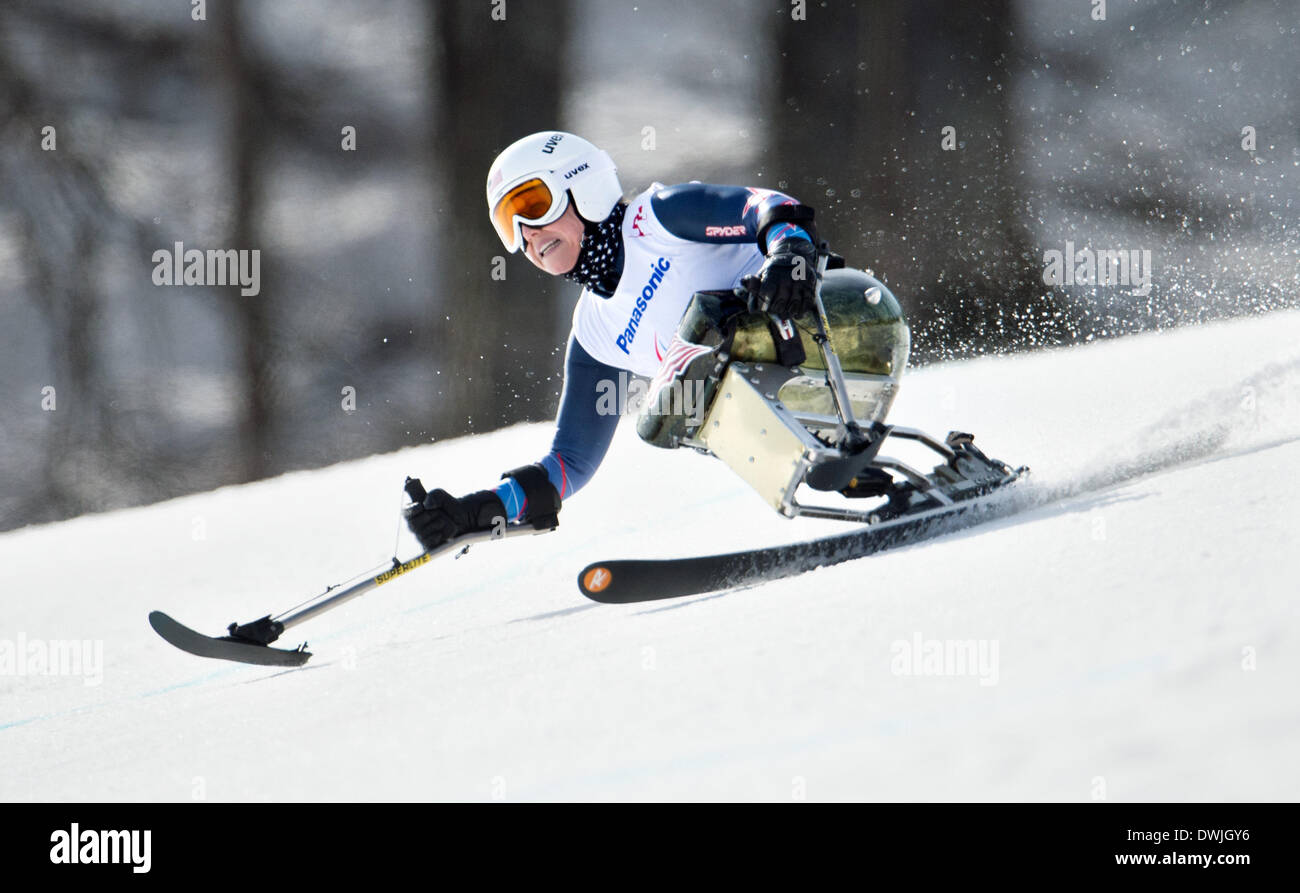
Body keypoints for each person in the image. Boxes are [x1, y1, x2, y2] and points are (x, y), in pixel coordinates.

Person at [405, 130, 824, 551]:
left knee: (703, 333)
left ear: (582, 186)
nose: (527, 233)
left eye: (532, 205)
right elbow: (569, 465)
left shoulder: (657, 220)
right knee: (661, 414)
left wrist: (789, 252)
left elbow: (766, 207)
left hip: (829, 337)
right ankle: (847, 471)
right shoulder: (595, 333)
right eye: (508, 225)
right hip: (792, 423)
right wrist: (478, 512)